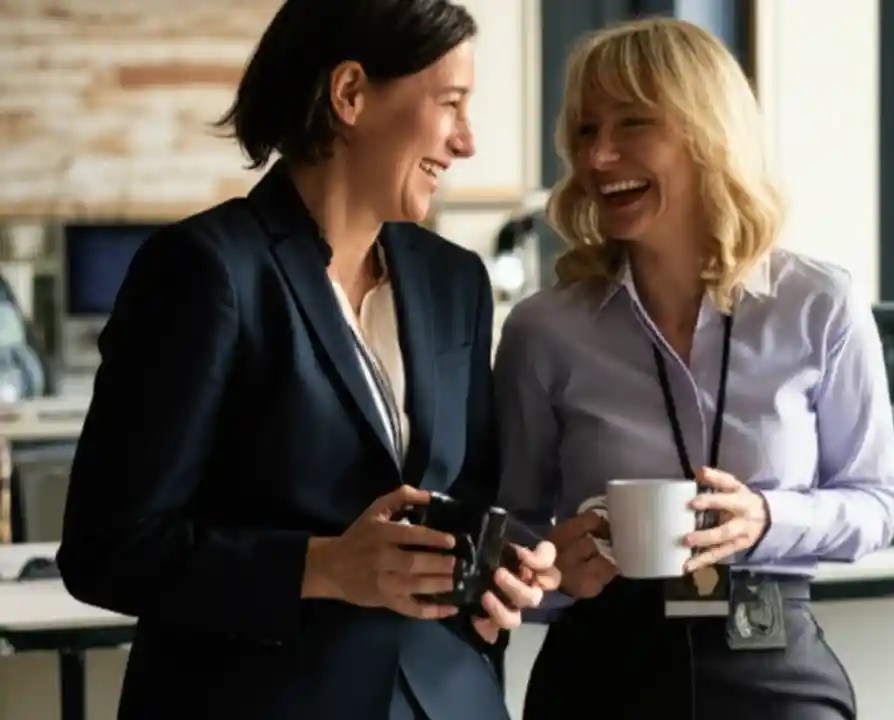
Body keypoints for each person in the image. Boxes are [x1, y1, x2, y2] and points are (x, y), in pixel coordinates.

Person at [56, 2, 558, 719]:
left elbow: (468, 495)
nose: (467, 141)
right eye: (450, 104)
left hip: (443, 700)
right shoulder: (206, 270)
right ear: (350, 94)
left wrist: (494, 576)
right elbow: (109, 549)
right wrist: (317, 568)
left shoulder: (456, 281)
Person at [494, 17, 894, 720]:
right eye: (586, 132)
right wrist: (553, 568)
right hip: (600, 671)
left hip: (771, 661)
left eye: (632, 123)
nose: (598, 156)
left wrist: (766, 519)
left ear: (708, 133)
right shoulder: (543, 330)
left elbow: (874, 502)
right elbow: (508, 533)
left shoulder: (820, 305)